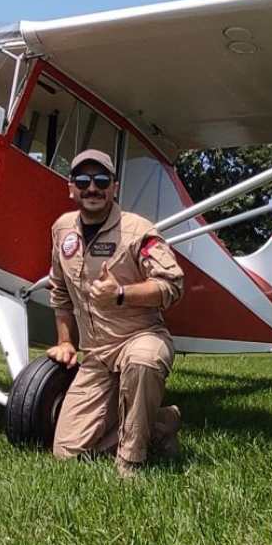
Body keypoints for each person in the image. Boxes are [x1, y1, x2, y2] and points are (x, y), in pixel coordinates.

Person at [47, 148, 185, 477]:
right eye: (83, 181)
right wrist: (65, 341)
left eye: (101, 180)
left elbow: (172, 284)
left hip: (140, 337)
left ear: (115, 187)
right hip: (96, 353)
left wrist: (121, 293)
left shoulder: (139, 231)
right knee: (67, 452)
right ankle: (160, 422)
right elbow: (60, 290)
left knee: (143, 360)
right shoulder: (62, 230)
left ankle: (131, 461)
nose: (92, 188)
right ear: (71, 187)